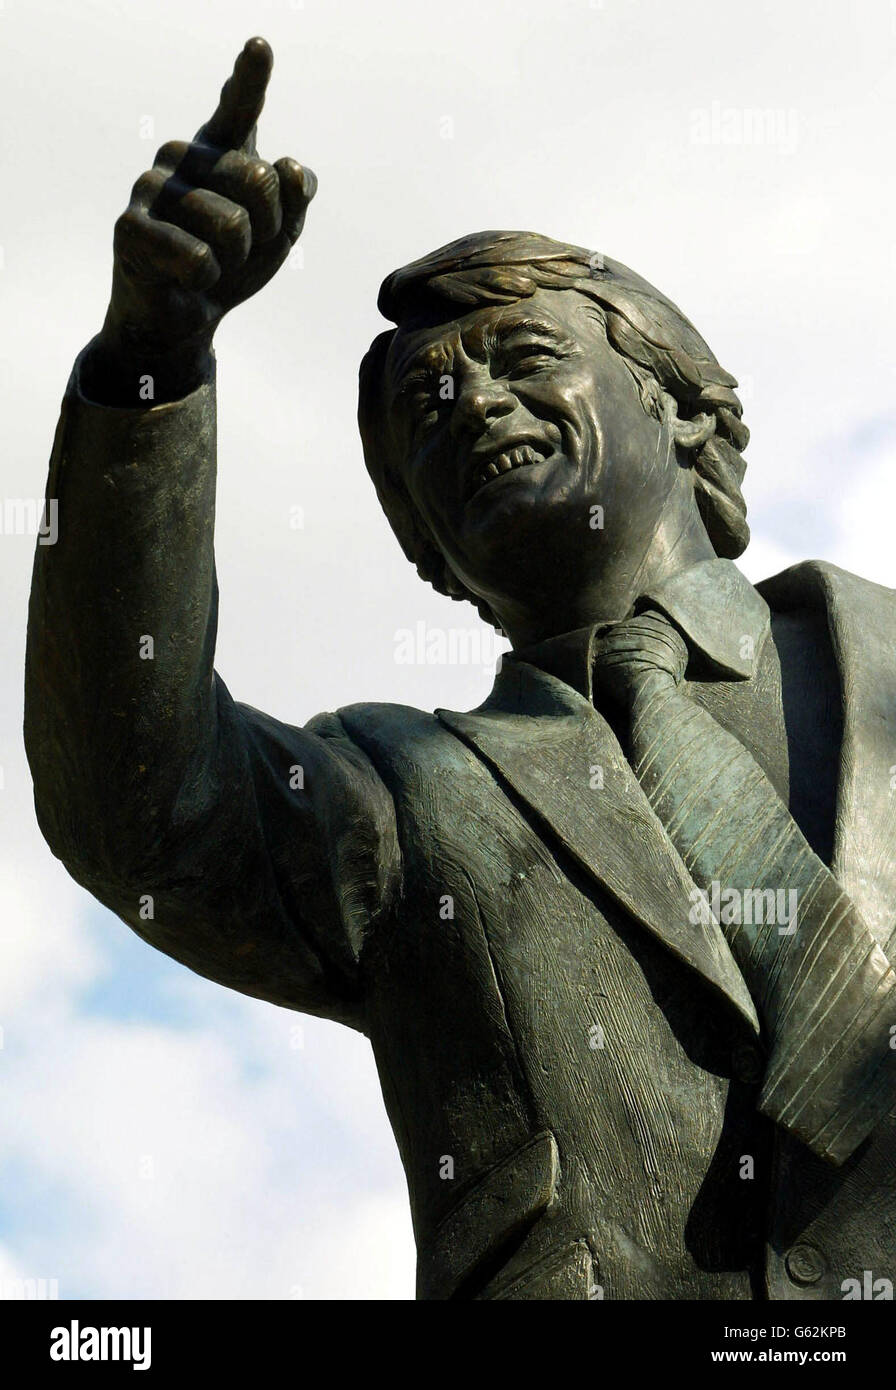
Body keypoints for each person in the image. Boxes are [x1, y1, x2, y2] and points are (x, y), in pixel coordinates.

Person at [25, 38, 896, 1300]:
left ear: (682, 403)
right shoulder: (395, 794)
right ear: (427, 552)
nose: (474, 406)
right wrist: (151, 356)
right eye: (425, 410)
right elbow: (135, 803)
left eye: (523, 358)